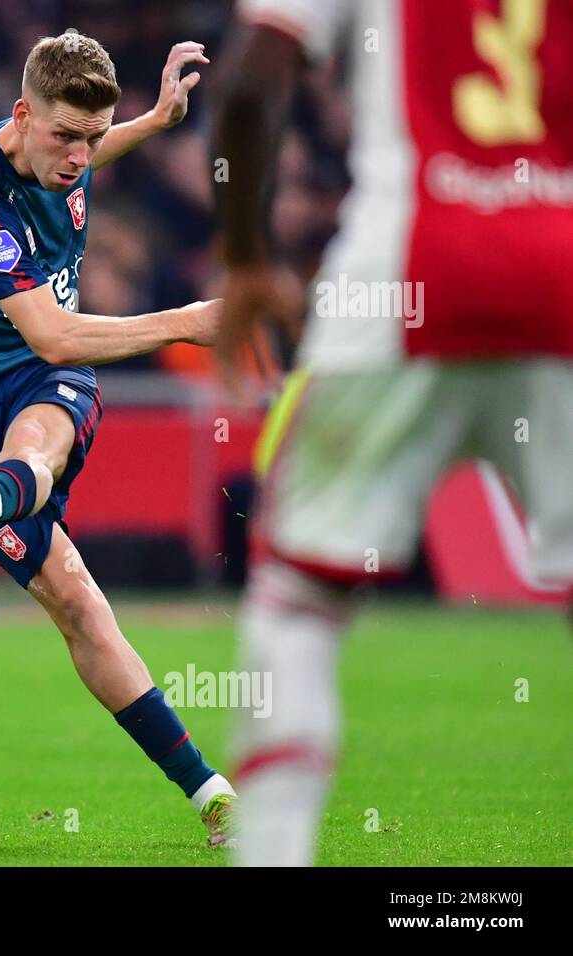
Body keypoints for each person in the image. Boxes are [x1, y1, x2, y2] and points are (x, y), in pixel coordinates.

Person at [211, 0, 573, 865]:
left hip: (398, 283)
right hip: (560, 281)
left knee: (298, 602)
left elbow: (248, 84)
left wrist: (245, 259)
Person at [0, 32, 237, 846]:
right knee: (77, 601)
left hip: (30, 388)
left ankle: (213, 797)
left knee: (56, 486)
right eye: (65, 136)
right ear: (20, 116)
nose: (80, 157)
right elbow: (54, 334)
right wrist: (191, 323)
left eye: (94, 137)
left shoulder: (70, 148)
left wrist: (155, 122)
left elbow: (49, 355)